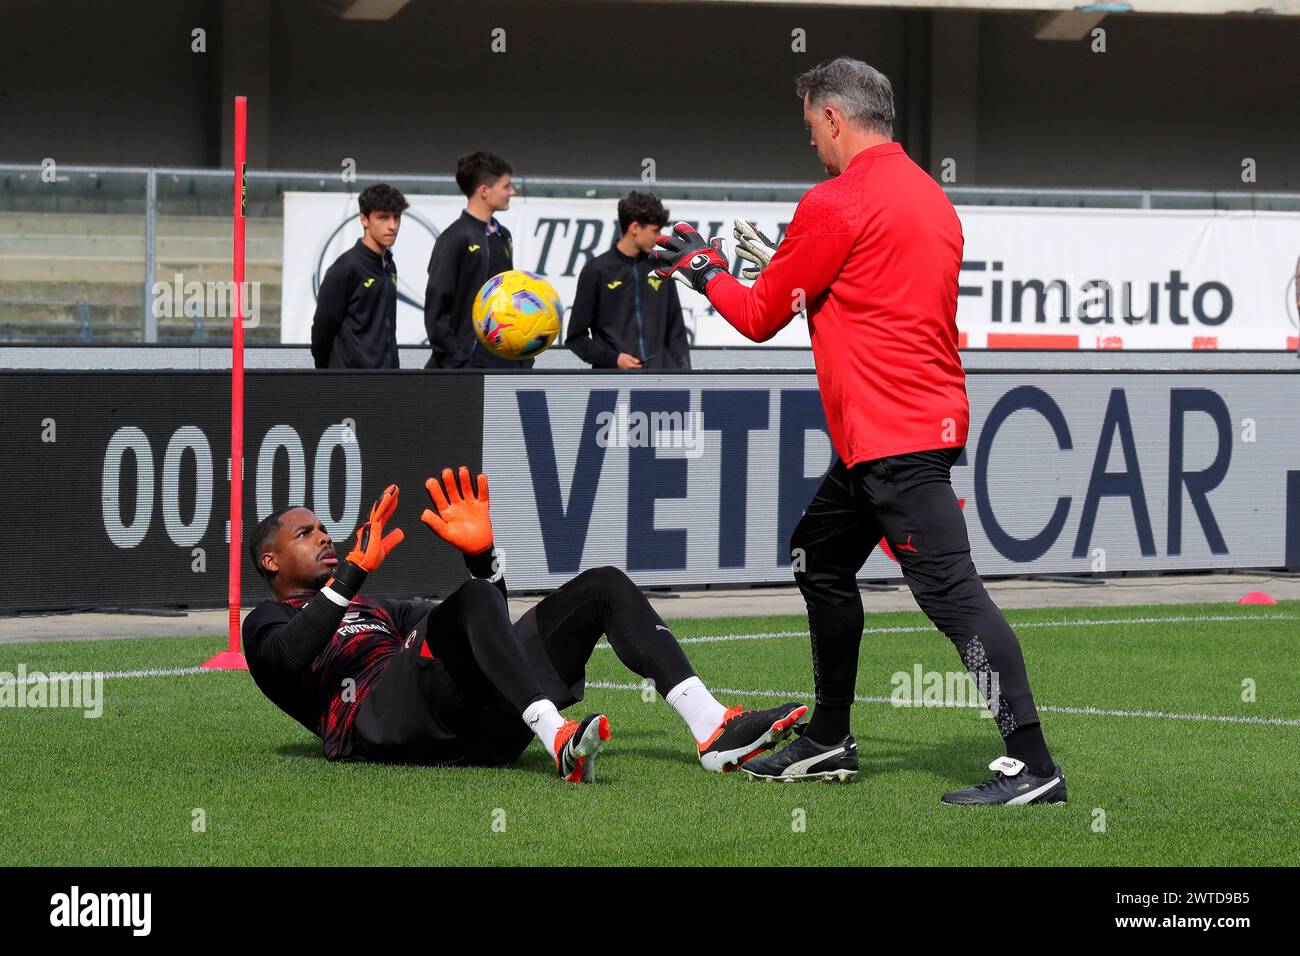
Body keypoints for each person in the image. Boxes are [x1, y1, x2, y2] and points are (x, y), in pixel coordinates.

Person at [649, 57, 1067, 805]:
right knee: (818, 555)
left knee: (954, 596)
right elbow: (870, 295)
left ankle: (1033, 764)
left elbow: (755, 316)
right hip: (904, 425)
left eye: (812, 125)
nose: (811, 141)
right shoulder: (930, 196)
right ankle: (829, 739)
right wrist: (785, 269)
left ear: (836, 118)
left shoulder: (837, 201)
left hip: (891, 436)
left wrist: (702, 266)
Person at [242, 470, 807, 782]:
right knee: (464, 601)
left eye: (322, 528)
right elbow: (290, 656)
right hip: (383, 722)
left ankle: (712, 729)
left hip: (479, 725)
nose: (323, 536)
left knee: (601, 586)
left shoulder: (379, 609)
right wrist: (354, 577)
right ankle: (555, 732)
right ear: (271, 562)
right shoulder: (265, 622)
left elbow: (488, 627)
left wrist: (484, 560)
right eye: (304, 533)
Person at [423, 151, 532, 369]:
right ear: (484, 190)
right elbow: (437, 308)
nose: (513, 192)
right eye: (506, 186)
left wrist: (522, 356)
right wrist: (457, 360)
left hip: (502, 361)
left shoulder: (503, 235)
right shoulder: (453, 238)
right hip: (465, 368)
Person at [565, 191, 691, 369]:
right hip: (612, 387)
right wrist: (613, 359)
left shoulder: (662, 267)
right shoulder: (596, 270)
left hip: (661, 385)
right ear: (634, 228)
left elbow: (676, 332)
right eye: (655, 230)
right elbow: (575, 339)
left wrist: (685, 376)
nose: (659, 238)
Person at [311, 183, 407, 369]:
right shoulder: (345, 269)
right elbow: (322, 332)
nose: (392, 226)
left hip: (388, 383)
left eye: (396, 217)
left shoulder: (389, 265)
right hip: (351, 387)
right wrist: (333, 374)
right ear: (364, 219)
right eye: (383, 218)